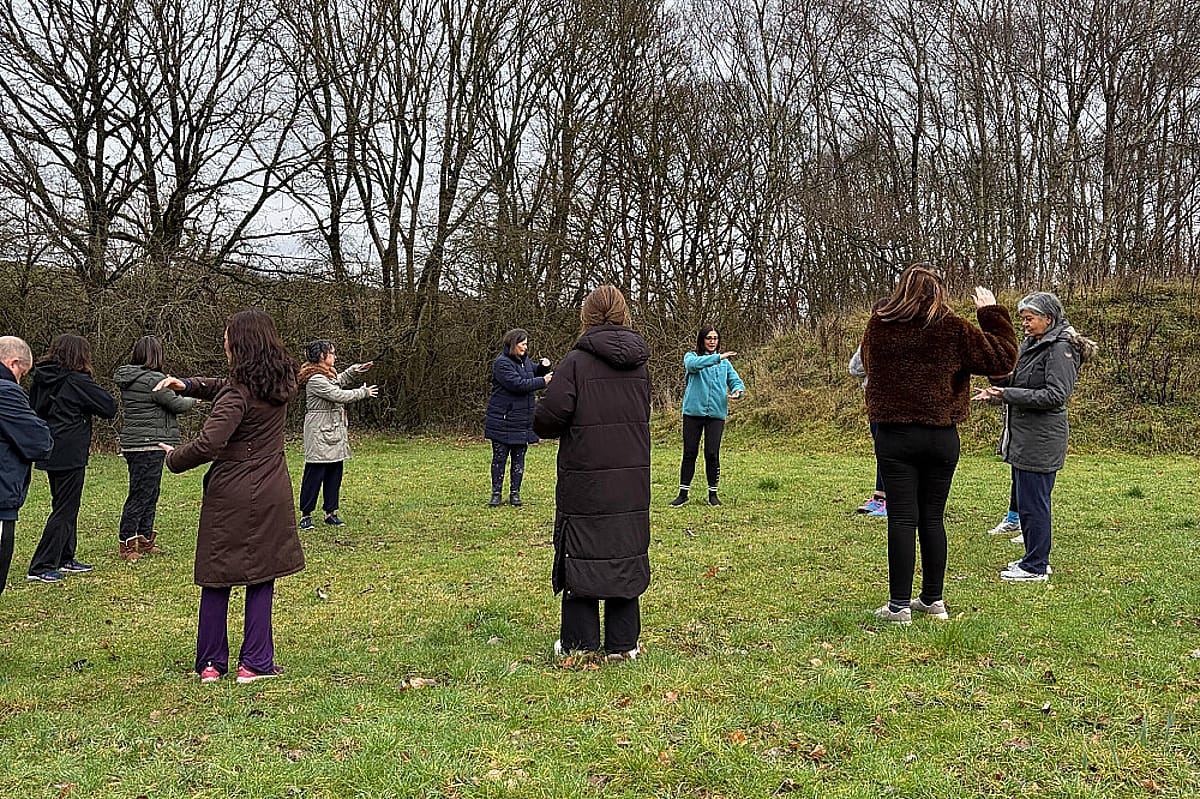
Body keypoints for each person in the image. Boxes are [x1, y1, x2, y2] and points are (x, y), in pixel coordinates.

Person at [860, 264, 1017, 624]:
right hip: (941, 435)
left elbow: (868, 365)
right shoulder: (953, 328)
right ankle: (933, 600)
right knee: (932, 518)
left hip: (894, 434)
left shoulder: (879, 325)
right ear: (940, 293)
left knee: (901, 518)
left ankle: (898, 606)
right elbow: (1003, 360)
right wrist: (990, 313)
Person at [156, 310, 304, 684]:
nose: (223, 344)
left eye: (227, 339)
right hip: (271, 488)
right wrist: (187, 384)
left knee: (217, 576)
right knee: (261, 576)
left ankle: (211, 664)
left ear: (239, 345)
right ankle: (255, 662)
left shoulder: (238, 393)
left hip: (232, 491)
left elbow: (209, 443)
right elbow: (224, 386)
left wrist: (173, 457)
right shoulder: (280, 381)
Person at [533, 286, 650, 660]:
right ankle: (623, 644)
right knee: (625, 549)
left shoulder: (575, 363)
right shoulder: (641, 364)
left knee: (581, 551)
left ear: (587, 316)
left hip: (585, 475)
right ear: (622, 313)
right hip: (631, 477)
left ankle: (579, 644)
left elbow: (546, 421)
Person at [974, 292, 1097, 582]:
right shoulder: (1034, 344)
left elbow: (1056, 395)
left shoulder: (1060, 349)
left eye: (1029, 319)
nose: (1025, 325)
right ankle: (1033, 557)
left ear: (1048, 319)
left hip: (1042, 439)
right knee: (1028, 502)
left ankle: (1036, 566)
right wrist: (997, 388)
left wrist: (1008, 394)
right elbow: (1016, 381)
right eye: (1023, 319)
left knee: (1034, 503)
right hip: (1025, 437)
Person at [26, 334, 117, 583]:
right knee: (65, 508)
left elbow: (35, 410)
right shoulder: (77, 381)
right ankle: (41, 565)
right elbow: (109, 407)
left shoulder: (42, 378)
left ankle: (65, 556)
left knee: (65, 504)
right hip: (71, 451)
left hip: (49, 447)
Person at [113, 336, 198, 560]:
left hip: (135, 443)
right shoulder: (153, 379)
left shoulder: (130, 378)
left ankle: (143, 537)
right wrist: (194, 398)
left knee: (148, 492)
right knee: (142, 494)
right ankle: (127, 543)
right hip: (149, 443)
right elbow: (176, 404)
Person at [297, 340, 377, 529]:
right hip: (319, 433)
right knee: (314, 474)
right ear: (321, 357)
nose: (335, 356)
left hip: (333, 430)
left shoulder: (326, 375)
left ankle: (330, 513)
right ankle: (306, 515)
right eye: (331, 353)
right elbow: (338, 395)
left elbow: (338, 380)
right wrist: (363, 392)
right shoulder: (315, 379)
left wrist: (354, 371)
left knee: (334, 472)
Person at [0, 336, 54, 597]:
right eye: (23, 373)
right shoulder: (6, 391)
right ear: (13, 364)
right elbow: (38, 441)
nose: (21, 380)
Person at [668, 326, 745, 507]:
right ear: (702, 340)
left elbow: (735, 381)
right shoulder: (692, 357)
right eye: (709, 338)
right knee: (690, 452)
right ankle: (683, 493)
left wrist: (737, 391)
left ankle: (713, 494)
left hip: (716, 413)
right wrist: (718, 357)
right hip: (693, 413)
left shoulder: (725, 364)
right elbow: (693, 366)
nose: (712, 341)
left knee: (712, 453)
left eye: (715, 338)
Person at [484, 329, 552, 507]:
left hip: (522, 421)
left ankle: (515, 494)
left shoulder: (525, 362)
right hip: (502, 420)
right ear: (514, 344)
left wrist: (543, 367)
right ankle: (496, 494)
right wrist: (542, 381)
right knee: (499, 458)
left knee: (519, 459)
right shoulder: (502, 364)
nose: (525, 347)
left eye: (526, 344)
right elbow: (518, 385)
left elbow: (532, 372)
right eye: (523, 344)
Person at [849, 345, 886, 517]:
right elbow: (855, 368)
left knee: (892, 452)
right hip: (876, 402)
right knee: (882, 449)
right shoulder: (871, 338)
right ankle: (880, 497)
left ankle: (892, 500)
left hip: (897, 404)